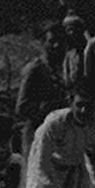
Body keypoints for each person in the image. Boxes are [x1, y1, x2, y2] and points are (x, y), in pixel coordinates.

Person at [15, 22, 67, 175]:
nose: (57, 46)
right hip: (37, 136)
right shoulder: (35, 69)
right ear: (44, 43)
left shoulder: (59, 70)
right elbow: (21, 108)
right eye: (52, 41)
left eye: (61, 42)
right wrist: (46, 108)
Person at [60, 12, 95, 108]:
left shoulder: (91, 50)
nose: (72, 33)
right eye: (69, 30)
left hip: (90, 94)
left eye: (75, 29)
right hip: (74, 95)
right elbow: (67, 77)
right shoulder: (70, 54)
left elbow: (91, 74)